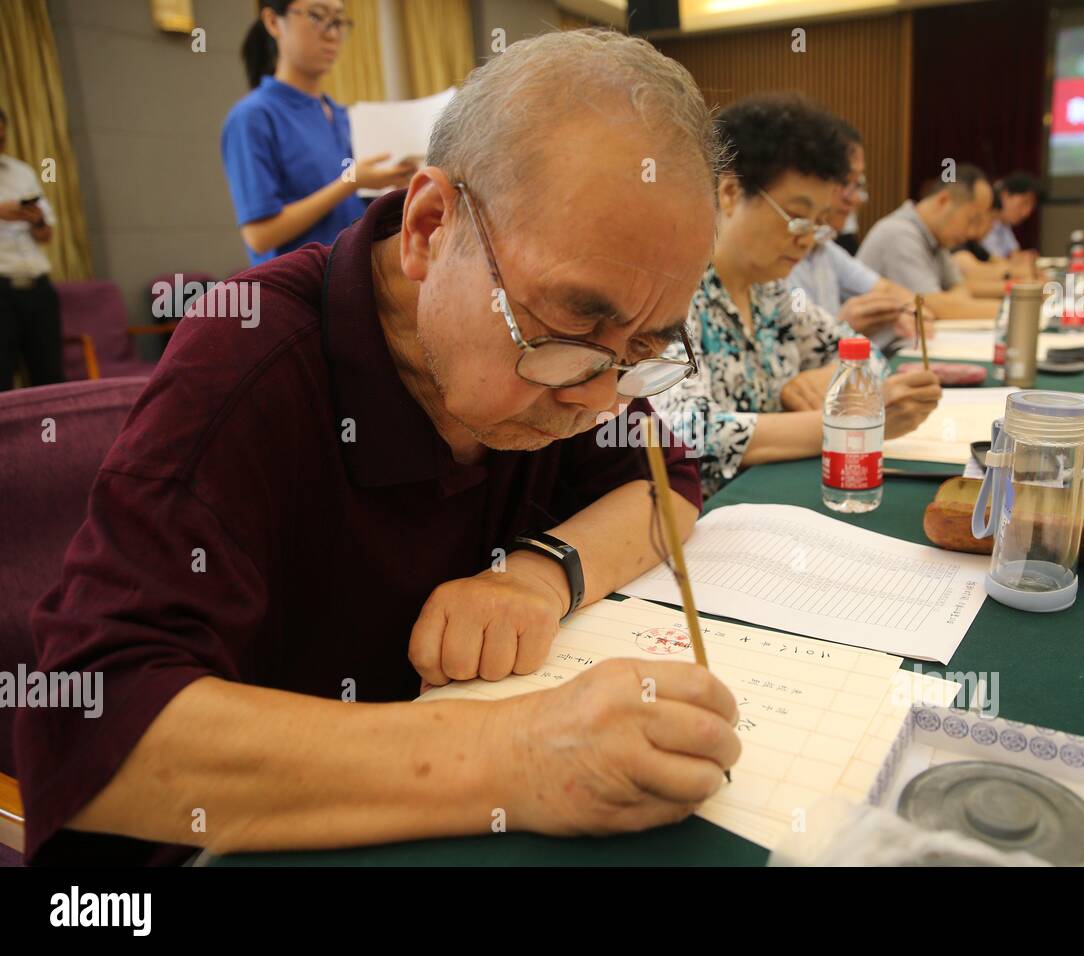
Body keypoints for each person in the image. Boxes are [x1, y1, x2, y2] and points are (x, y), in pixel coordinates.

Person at [17, 29, 741, 865]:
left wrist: (540, 576)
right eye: (568, 327)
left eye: (644, 348)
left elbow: (666, 487)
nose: (597, 397)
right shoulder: (248, 356)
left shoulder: (586, 361)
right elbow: (94, 729)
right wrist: (519, 753)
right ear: (431, 227)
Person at [650, 95, 941, 497]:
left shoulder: (772, 293)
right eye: (797, 216)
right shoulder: (671, 294)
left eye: (819, 222)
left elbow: (864, 354)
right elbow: (689, 432)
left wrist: (831, 377)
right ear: (732, 192)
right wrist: (850, 418)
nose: (807, 239)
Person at [222, 0, 415, 264]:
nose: (332, 33)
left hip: (353, 278)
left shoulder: (343, 116)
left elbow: (356, 212)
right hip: (297, 290)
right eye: (316, 16)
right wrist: (349, 182)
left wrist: (396, 183)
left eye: (338, 21)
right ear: (272, 22)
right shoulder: (253, 116)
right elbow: (260, 235)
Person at [788, 119, 932, 354]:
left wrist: (895, 309)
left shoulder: (825, 247)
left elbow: (894, 294)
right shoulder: (775, 255)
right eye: (846, 182)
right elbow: (787, 361)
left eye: (859, 184)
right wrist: (842, 326)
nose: (855, 198)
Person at [856, 165, 1000, 320]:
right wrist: (1011, 312)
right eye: (971, 220)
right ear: (943, 201)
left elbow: (962, 290)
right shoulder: (899, 234)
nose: (972, 232)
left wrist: (949, 302)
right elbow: (938, 308)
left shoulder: (936, 239)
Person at [0, 106, 62, 390]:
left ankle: (51, 435)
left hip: (37, 285)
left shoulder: (21, 171)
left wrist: (36, 221)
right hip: (2, 289)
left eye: (2, 139)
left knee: (49, 373)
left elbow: (46, 234)